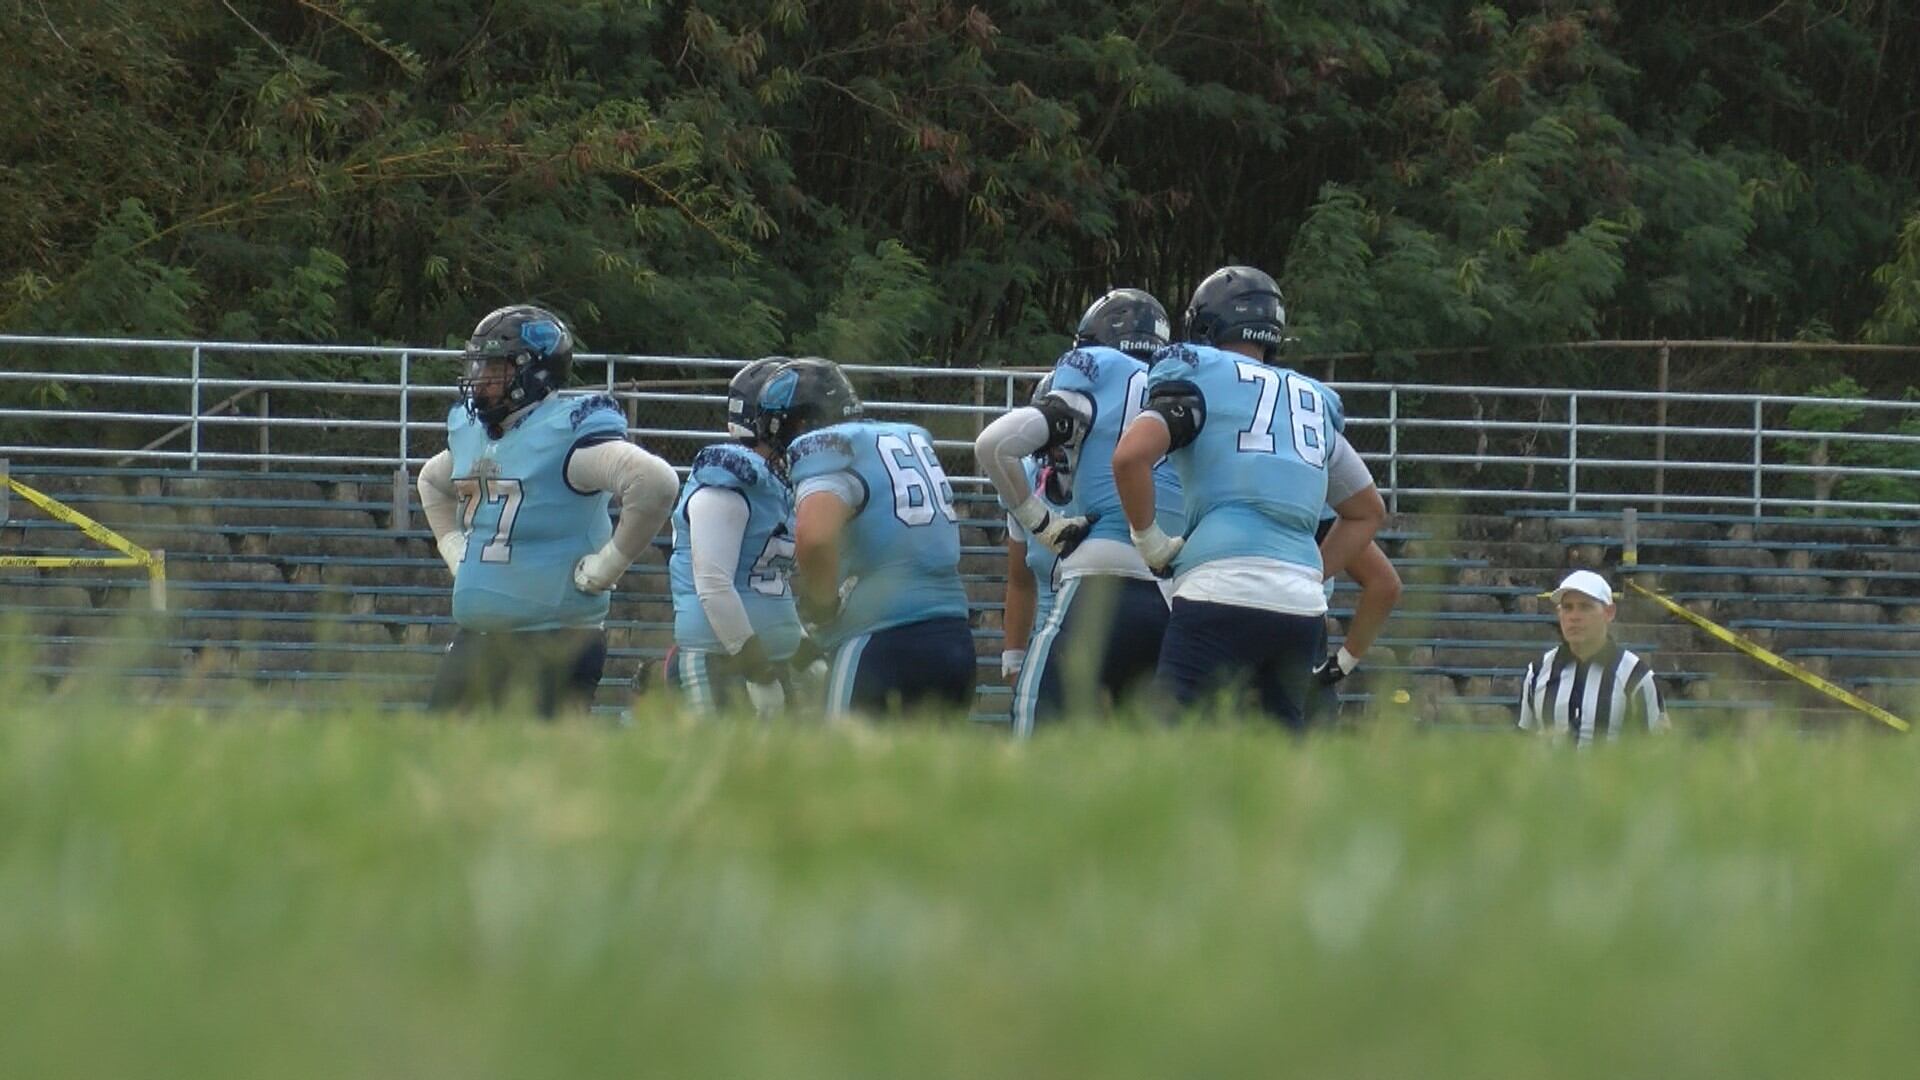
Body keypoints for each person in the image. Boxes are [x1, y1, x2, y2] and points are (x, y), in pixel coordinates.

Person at [1111, 265, 1384, 727]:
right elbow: (1367, 512)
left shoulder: (1198, 374)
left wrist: (1150, 543)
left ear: (1205, 323)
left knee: (1169, 741)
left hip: (1219, 588)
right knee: (1280, 757)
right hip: (1300, 606)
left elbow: (1129, 458)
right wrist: (1310, 569)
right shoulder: (1310, 401)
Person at [418, 304, 679, 718]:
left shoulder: (566, 431)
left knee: (535, 777)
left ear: (532, 372)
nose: (479, 380)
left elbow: (655, 482)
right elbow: (430, 481)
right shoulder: (476, 433)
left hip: (553, 641)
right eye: (478, 366)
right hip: (477, 638)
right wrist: (452, 546)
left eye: (494, 368)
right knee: (434, 765)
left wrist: (611, 563)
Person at [973, 288, 1188, 736]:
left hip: (1095, 588)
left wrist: (1040, 521)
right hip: (1176, 601)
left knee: (1035, 747)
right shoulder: (1190, 393)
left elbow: (993, 444)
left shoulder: (1091, 385)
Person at [756, 358, 976, 718]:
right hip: (954, 637)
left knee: (848, 772)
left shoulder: (827, 447)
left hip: (882, 643)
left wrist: (821, 604)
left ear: (800, 422)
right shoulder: (905, 439)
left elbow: (813, 537)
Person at [663, 357, 804, 718]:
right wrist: (756, 669)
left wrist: (801, 645)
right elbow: (713, 583)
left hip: (766, 658)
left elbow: (768, 581)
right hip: (721, 659)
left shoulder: (776, 485)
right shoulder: (729, 479)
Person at [1518, 569, 1668, 744]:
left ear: (1609, 613)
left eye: (1585, 607)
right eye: (1567, 608)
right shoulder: (1537, 672)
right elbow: (1523, 745)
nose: (1574, 617)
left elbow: (1656, 749)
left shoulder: (1635, 675)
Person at [1308, 494, 1404, 723]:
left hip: (1233, 631)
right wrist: (1340, 665)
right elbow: (1385, 585)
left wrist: (1340, 665)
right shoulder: (1310, 497)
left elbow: (1385, 585)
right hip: (1302, 637)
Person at [1001, 449, 1067, 685]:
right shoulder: (1027, 477)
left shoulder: (1122, 475)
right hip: (1047, 649)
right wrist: (1014, 662)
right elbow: (1020, 582)